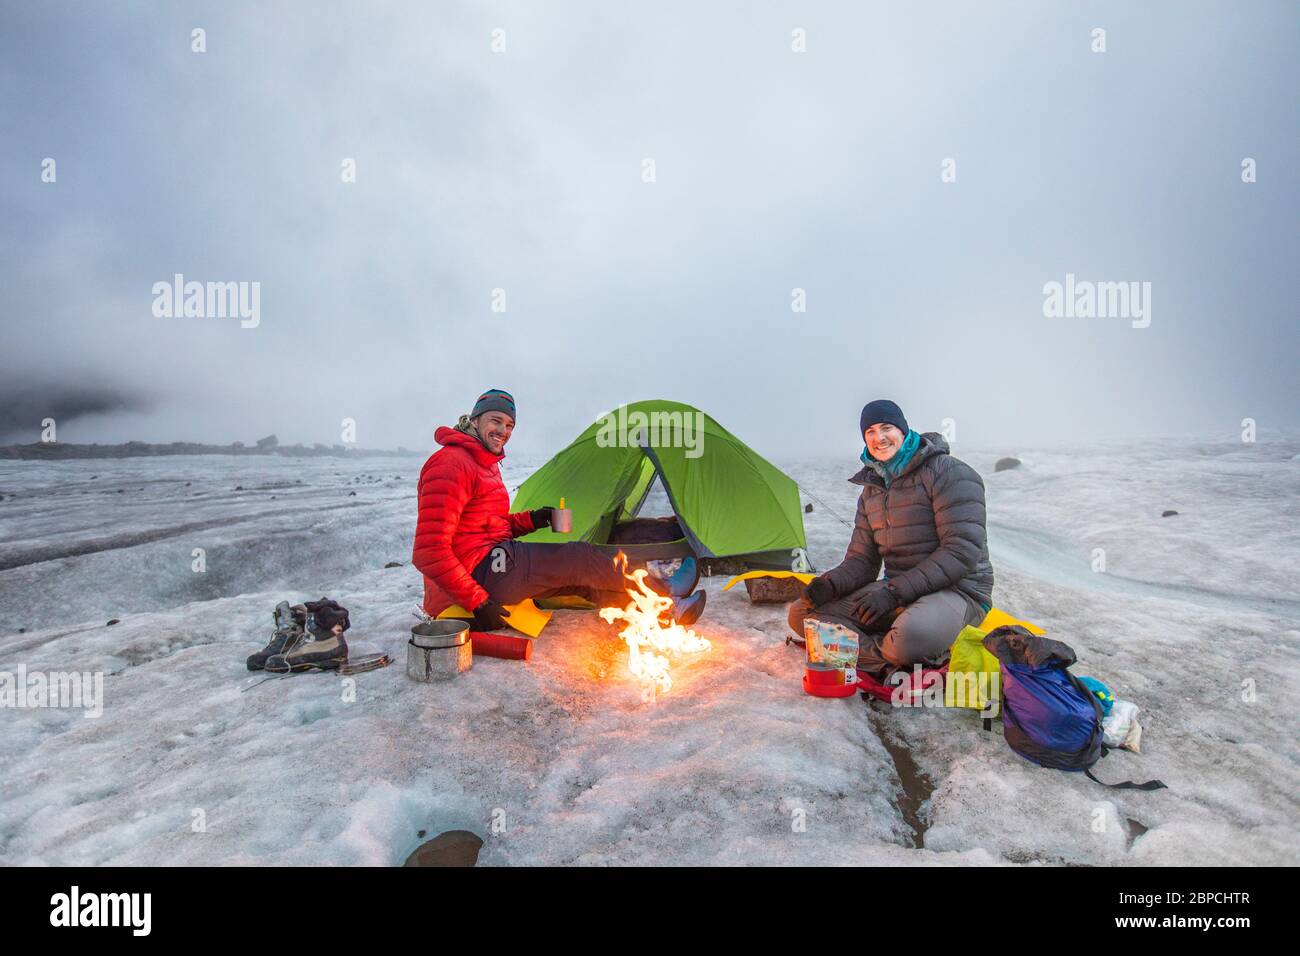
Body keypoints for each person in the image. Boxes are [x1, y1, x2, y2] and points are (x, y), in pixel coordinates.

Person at [412, 388, 705, 632]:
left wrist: (536, 519)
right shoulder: (451, 463)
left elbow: (489, 525)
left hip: (489, 562)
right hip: (478, 571)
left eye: (510, 425)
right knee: (581, 557)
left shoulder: (482, 462)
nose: (503, 431)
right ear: (475, 420)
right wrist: (478, 602)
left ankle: (667, 609)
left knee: (580, 584)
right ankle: (666, 590)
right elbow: (429, 551)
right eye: (496, 421)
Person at [787, 399, 993, 680]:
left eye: (886, 428)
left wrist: (893, 594)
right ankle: (885, 662)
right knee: (802, 614)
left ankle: (882, 650)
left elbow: (960, 551)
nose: (879, 438)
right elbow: (862, 560)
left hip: (959, 591)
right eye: (870, 431)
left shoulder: (949, 472)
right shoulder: (872, 491)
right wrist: (829, 585)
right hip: (899, 591)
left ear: (903, 431)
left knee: (907, 639)